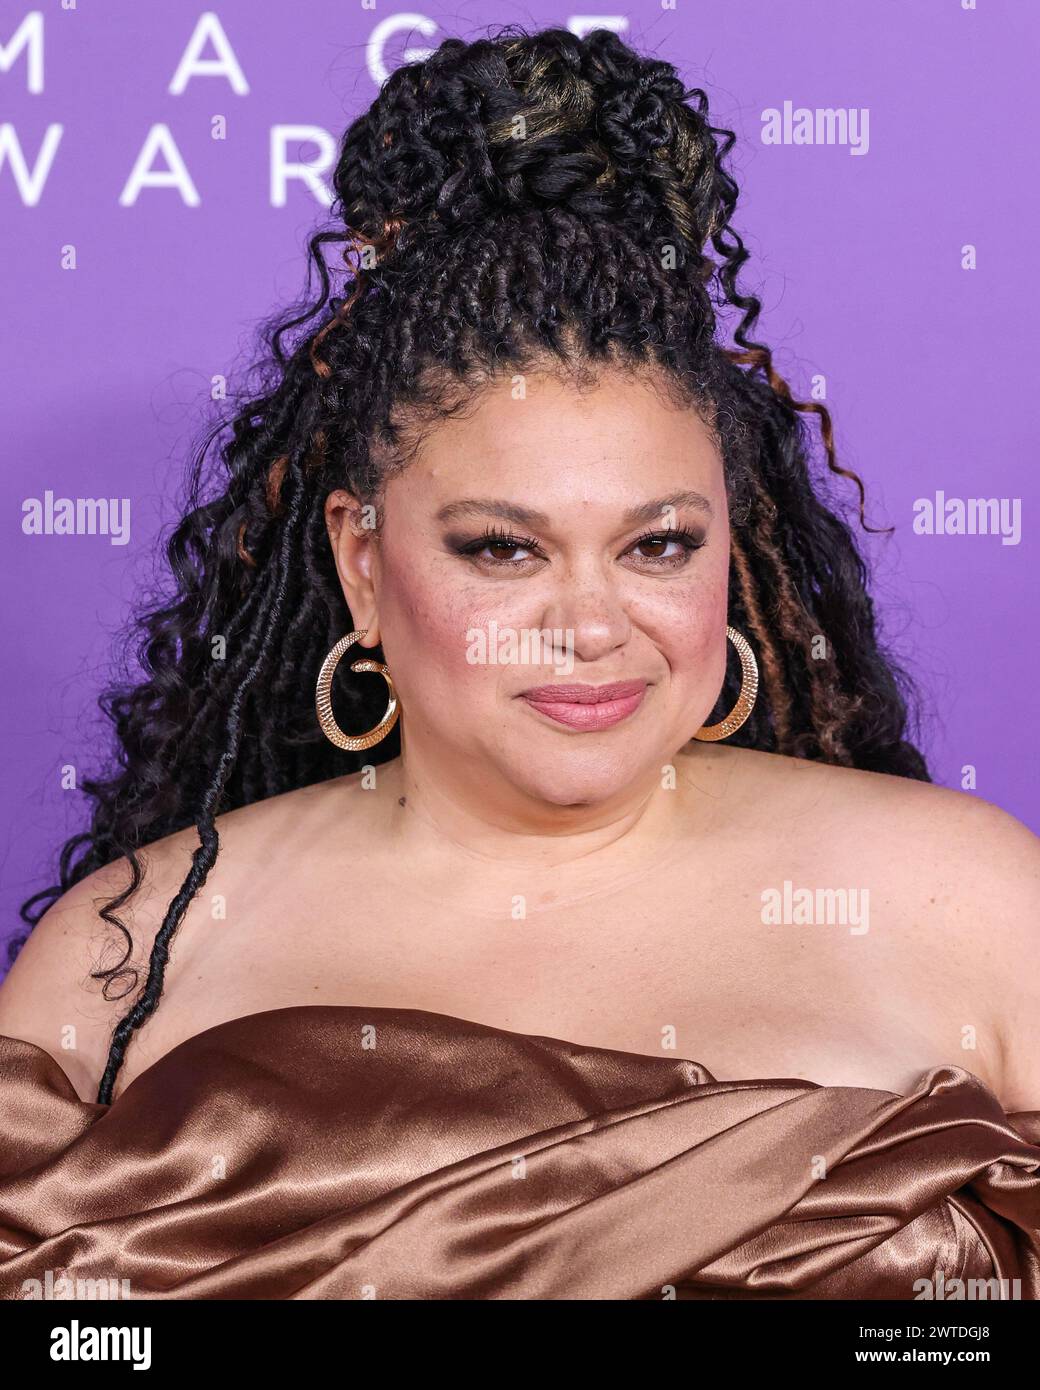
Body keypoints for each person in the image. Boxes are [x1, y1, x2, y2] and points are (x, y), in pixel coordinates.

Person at [1, 26, 1037, 1301]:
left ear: (731, 550)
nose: (590, 624)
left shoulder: (974, 907)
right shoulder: (123, 956)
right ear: (363, 566)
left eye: (658, 543)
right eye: (502, 549)